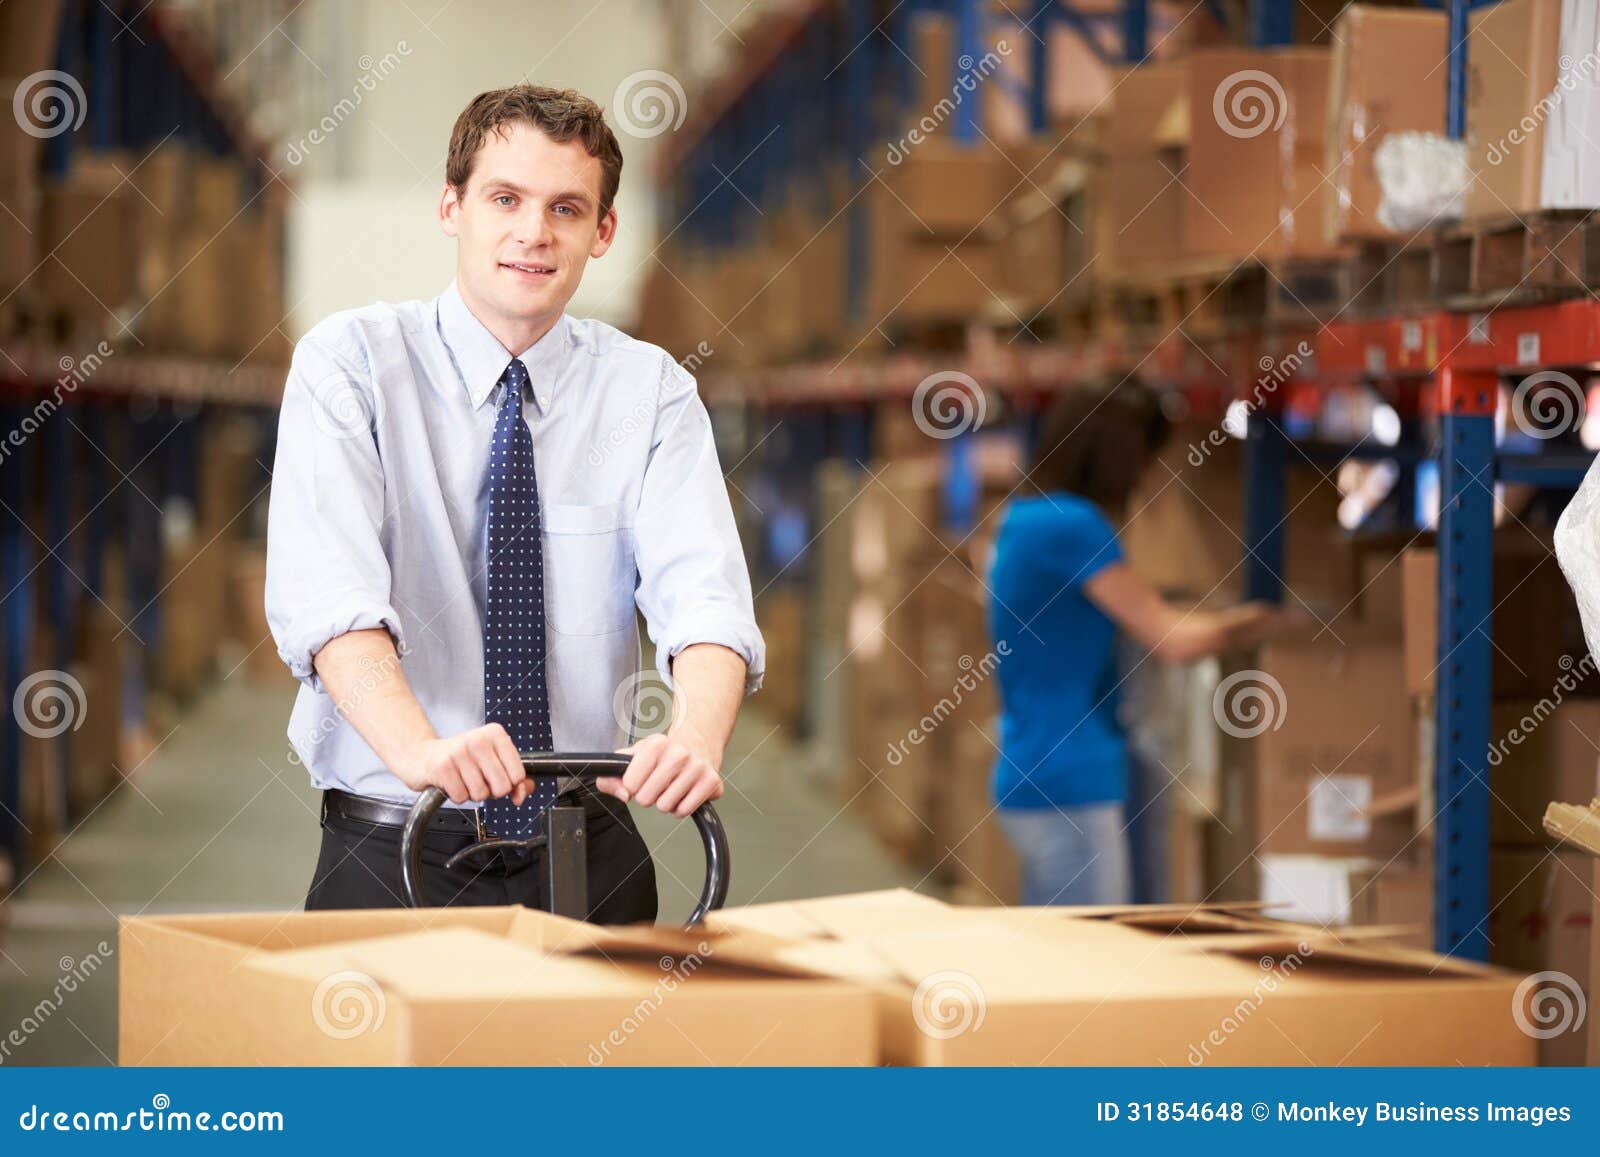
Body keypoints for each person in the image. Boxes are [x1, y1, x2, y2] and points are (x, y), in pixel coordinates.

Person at [264, 86, 764, 922]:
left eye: (567, 208)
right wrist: (422, 750)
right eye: (506, 199)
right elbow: (329, 601)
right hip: (393, 848)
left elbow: (706, 598)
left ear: (603, 232)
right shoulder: (350, 366)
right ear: (451, 206)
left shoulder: (651, 391)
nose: (535, 232)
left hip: (589, 850)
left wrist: (695, 738)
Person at [986, 383, 1282, 906]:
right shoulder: (1074, 526)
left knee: (1059, 958)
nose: (1145, 477)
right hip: (1070, 785)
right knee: (1092, 967)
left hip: (1035, 772)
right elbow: (1170, 639)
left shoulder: (1027, 519)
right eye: (1146, 460)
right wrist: (1257, 623)